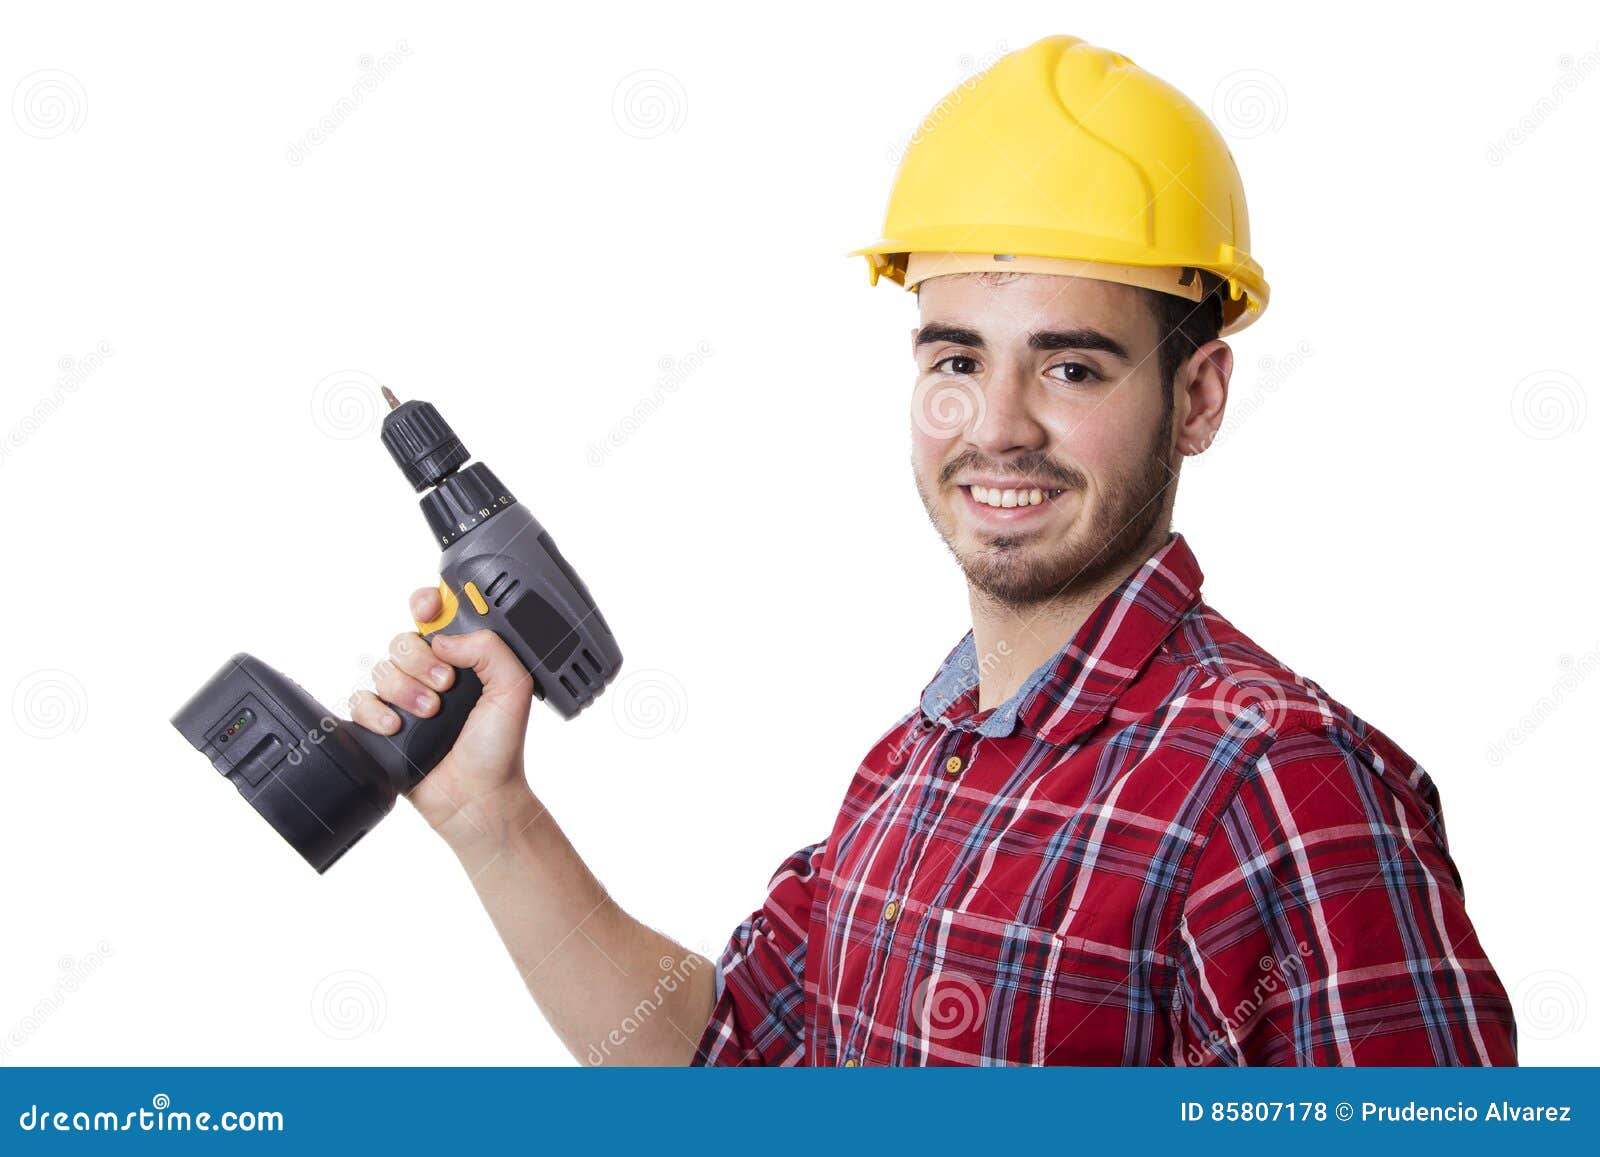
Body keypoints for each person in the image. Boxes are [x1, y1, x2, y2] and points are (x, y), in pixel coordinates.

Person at [348, 34, 1516, 1065]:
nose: (998, 423)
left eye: (1071, 365)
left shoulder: (1281, 791)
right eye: (957, 358)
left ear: (1198, 395)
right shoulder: (916, 771)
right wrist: (490, 816)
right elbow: (729, 1068)